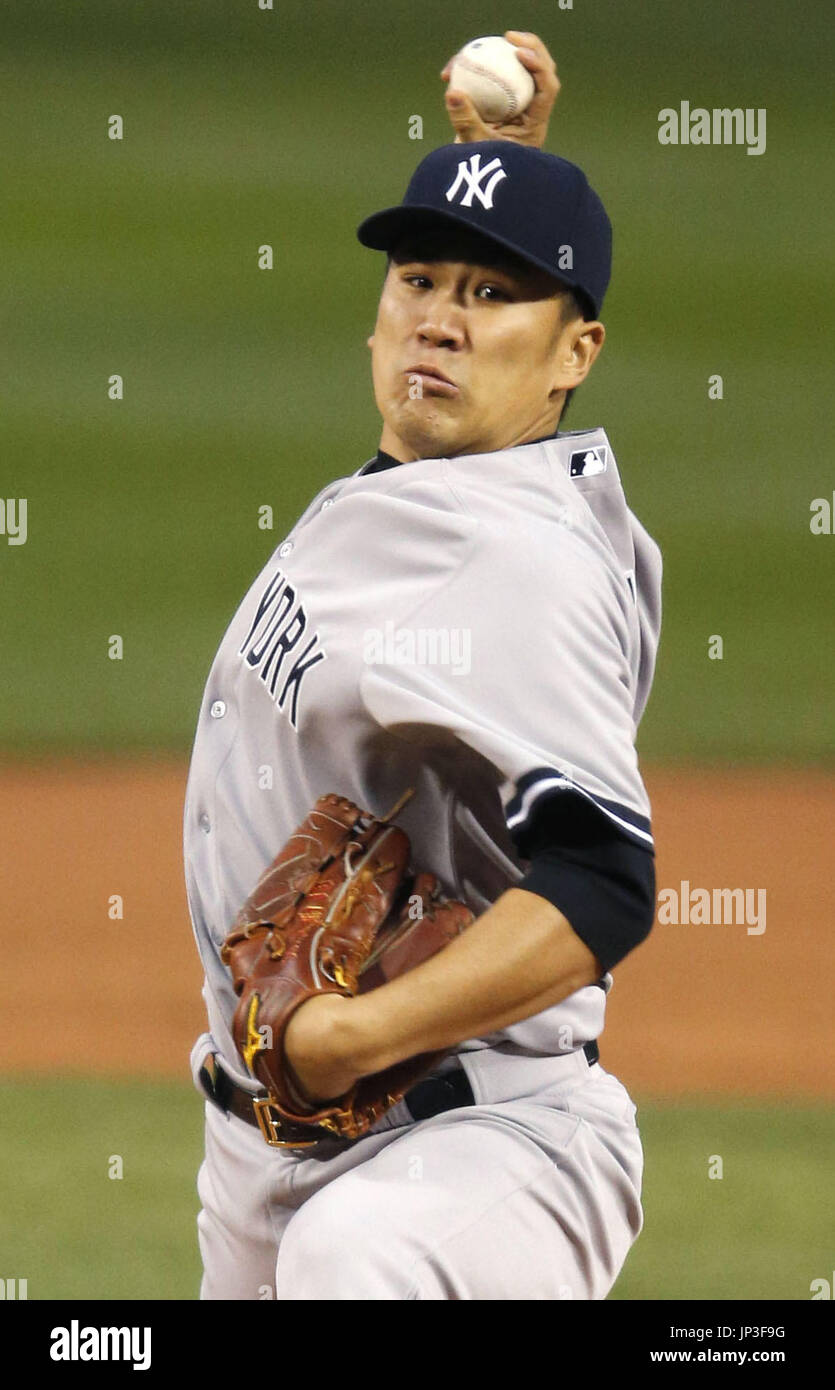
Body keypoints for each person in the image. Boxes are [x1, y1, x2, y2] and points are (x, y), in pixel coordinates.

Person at [185, 33, 662, 1300]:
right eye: (419, 279)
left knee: (358, 1262)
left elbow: (604, 880)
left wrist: (349, 1033)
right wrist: (507, 178)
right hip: (281, 1143)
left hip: (471, 1146)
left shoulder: (520, 564)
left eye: (493, 296)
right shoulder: (443, 485)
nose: (440, 320)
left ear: (576, 354)